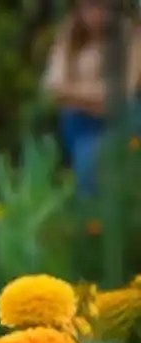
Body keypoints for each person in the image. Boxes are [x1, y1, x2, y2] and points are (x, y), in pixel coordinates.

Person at [43, 0, 141, 197]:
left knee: (95, 166)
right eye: (89, 5)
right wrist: (97, 95)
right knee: (85, 170)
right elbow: (52, 87)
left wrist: (71, 93)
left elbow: (122, 95)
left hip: (119, 123)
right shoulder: (70, 33)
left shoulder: (130, 36)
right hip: (78, 124)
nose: (95, 12)